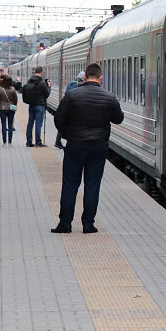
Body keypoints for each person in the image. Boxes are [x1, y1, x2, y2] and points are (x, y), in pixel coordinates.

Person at [51, 62, 124, 234]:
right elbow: (118, 119)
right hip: (98, 147)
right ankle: (88, 224)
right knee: (92, 184)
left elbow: (58, 119)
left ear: (84, 77)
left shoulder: (72, 96)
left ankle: (65, 224)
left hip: (75, 145)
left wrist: (68, 134)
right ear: (101, 78)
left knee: (70, 184)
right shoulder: (109, 97)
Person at [54, 71, 85, 150]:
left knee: (65, 124)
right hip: (75, 108)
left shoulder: (72, 83)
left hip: (68, 106)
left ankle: (58, 141)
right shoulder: (80, 84)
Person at [21, 66, 50, 147]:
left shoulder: (29, 81)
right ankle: (38, 142)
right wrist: (49, 87)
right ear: (41, 72)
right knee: (38, 124)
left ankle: (29, 142)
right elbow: (46, 94)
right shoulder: (42, 83)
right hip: (40, 106)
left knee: (30, 123)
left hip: (31, 105)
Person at [0, 75, 19, 146]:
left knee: (3, 125)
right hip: (11, 108)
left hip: (2, 108)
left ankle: (4, 142)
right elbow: (15, 100)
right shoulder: (13, 89)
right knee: (10, 125)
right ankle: (10, 142)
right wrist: (14, 105)